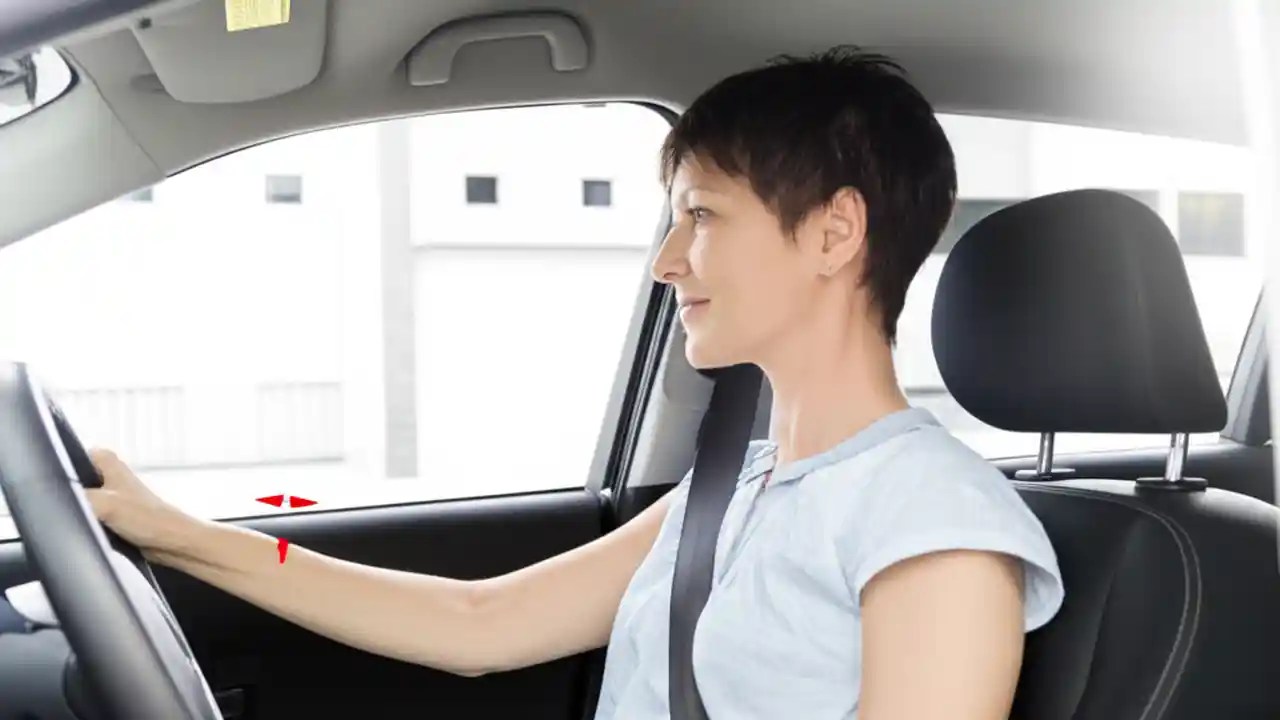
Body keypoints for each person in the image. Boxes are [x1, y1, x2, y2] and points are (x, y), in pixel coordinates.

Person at [87, 45, 1064, 719]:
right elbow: (482, 622)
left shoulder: (934, 524)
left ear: (834, 233)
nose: (666, 261)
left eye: (702, 216)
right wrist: (176, 534)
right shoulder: (741, 482)